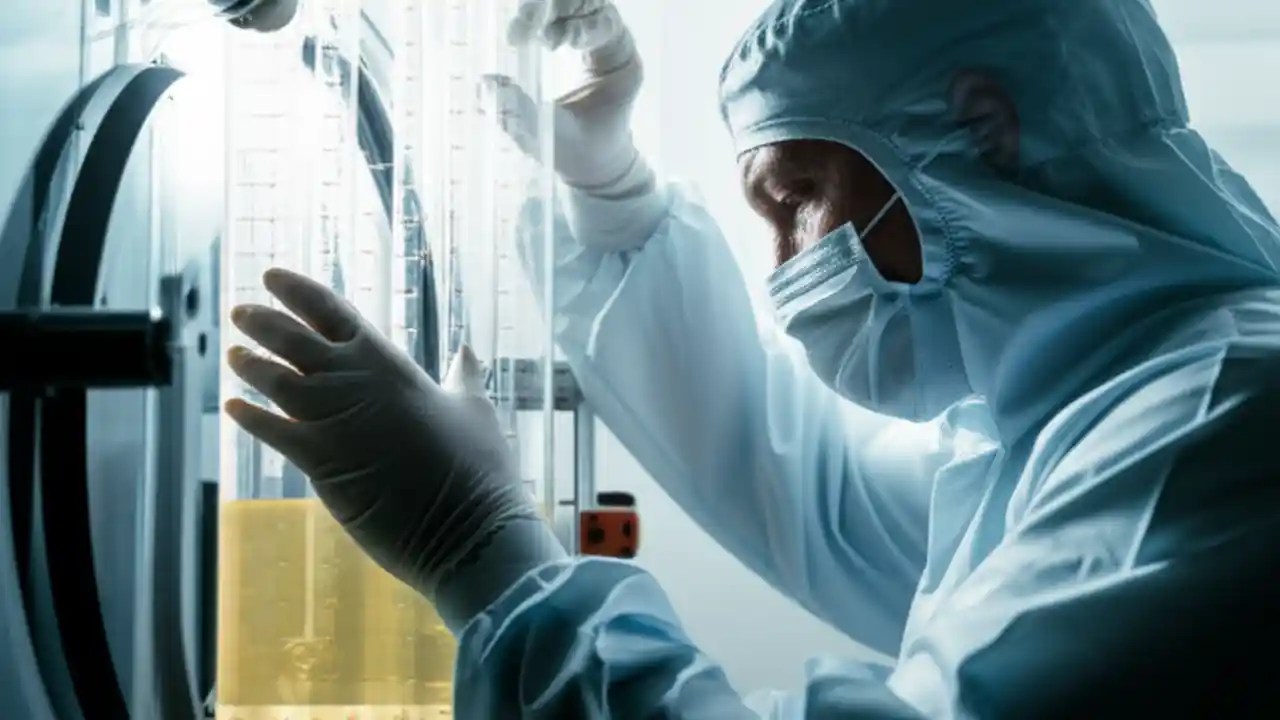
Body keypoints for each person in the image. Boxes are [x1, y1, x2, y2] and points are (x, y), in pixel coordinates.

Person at [225, 0, 1280, 716]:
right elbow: (802, 493)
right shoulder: (1082, 410)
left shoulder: (1220, 428)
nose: (782, 270)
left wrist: (484, 555)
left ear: (981, 127)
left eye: (793, 201)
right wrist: (614, 202)